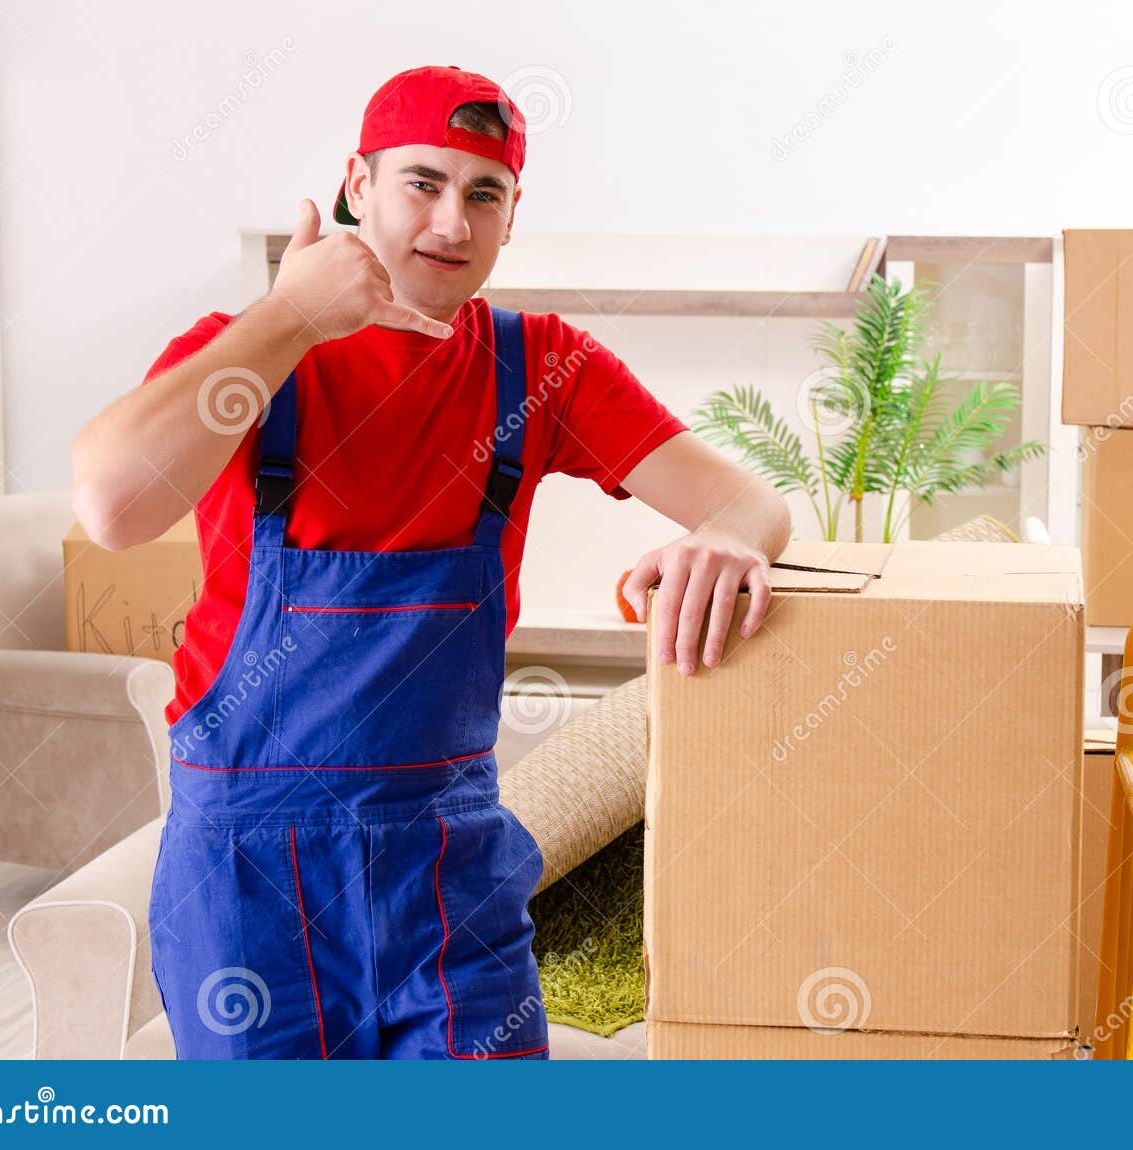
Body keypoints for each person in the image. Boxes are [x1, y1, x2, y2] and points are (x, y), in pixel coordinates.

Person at [70, 65, 790, 1059]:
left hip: (447, 871)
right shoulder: (247, 352)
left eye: (482, 193)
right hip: (248, 872)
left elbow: (746, 501)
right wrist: (286, 319)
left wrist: (727, 535)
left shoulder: (541, 368)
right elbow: (111, 506)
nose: (452, 221)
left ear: (510, 215)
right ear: (356, 186)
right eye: (422, 182)